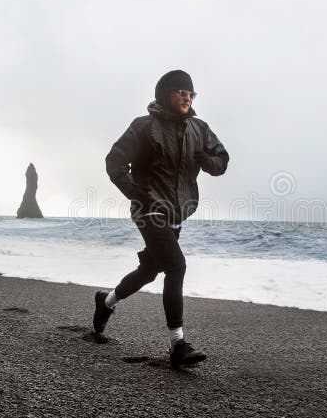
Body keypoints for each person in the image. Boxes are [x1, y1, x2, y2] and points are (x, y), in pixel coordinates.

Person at [96, 70, 229, 367]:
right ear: (165, 94)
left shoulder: (200, 129)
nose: (187, 96)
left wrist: (207, 161)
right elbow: (114, 162)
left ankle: (106, 302)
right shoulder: (144, 127)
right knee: (177, 266)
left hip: (178, 211)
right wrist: (137, 194)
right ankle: (177, 345)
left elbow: (223, 160)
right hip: (149, 208)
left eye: (191, 92)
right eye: (180, 91)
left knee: (150, 270)